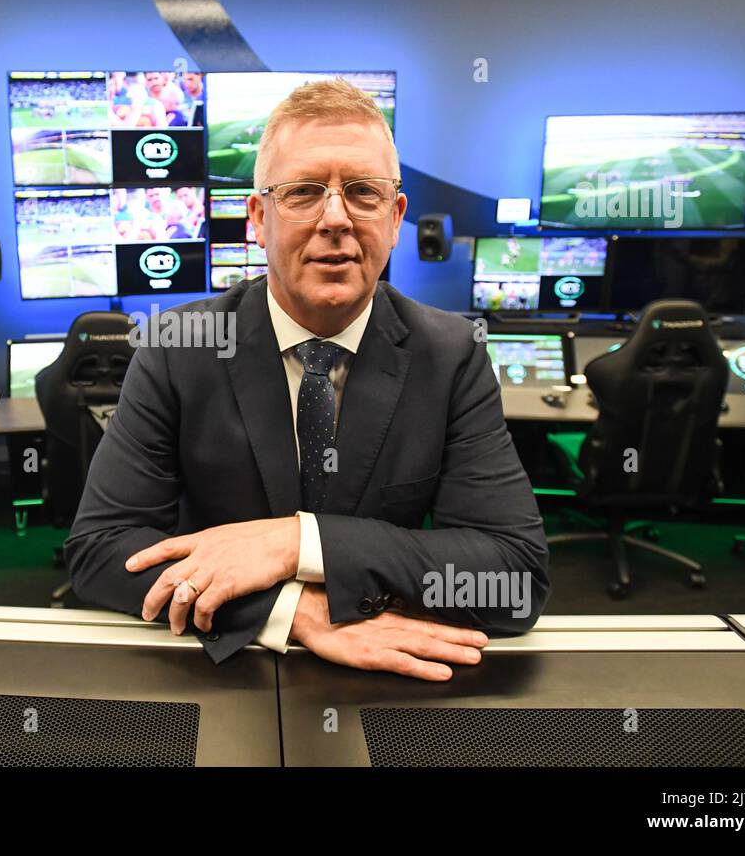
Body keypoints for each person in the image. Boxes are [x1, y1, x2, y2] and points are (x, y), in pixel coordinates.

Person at [66, 78, 548, 678]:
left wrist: (298, 543)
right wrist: (292, 609)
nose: (337, 218)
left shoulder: (451, 354)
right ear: (259, 218)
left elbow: (514, 577)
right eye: (303, 193)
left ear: (395, 218)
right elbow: (99, 551)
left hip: (390, 693)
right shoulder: (175, 348)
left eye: (364, 193)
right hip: (218, 674)